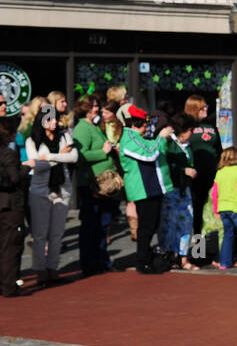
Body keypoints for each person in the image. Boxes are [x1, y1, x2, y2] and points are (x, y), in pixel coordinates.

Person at [24, 104, 78, 285]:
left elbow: (73, 157)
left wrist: (49, 157)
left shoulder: (64, 136)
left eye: (55, 118)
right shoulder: (32, 140)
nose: (54, 122)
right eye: (49, 118)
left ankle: (53, 268)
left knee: (57, 233)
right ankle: (39, 270)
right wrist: (56, 156)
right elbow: (36, 166)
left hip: (62, 189)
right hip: (40, 191)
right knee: (40, 234)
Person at [119, 104, 174, 273]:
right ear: (135, 125)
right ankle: (142, 261)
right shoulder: (129, 139)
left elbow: (157, 151)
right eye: (145, 125)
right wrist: (161, 138)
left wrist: (165, 140)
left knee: (152, 225)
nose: (147, 128)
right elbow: (149, 154)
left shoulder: (139, 138)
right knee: (146, 227)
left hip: (152, 187)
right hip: (142, 189)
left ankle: (147, 257)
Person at [72, 96, 119, 275]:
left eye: (97, 106)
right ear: (84, 109)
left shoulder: (94, 126)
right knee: (91, 225)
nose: (96, 109)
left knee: (102, 225)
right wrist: (103, 152)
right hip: (91, 184)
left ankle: (101, 261)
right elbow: (81, 155)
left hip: (104, 185)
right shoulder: (82, 128)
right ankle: (89, 263)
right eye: (92, 107)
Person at [161, 113, 199, 269]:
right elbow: (166, 166)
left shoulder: (188, 146)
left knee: (186, 223)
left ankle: (184, 258)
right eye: (191, 130)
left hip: (185, 189)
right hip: (172, 189)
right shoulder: (170, 145)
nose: (192, 134)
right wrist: (183, 171)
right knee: (169, 224)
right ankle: (170, 256)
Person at [185, 95, 221, 236]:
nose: (206, 108)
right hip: (195, 175)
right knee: (197, 210)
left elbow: (218, 149)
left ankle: (212, 245)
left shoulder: (211, 125)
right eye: (203, 106)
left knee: (211, 209)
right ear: (194, 108)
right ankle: (197, 250)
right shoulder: (186, 126)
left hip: (212, 173)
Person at [0, 109, 21, 297]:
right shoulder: (7, 154)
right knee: (9, 246)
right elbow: (15, 179)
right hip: (8, 204)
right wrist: (25, 169)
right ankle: (9, 286)